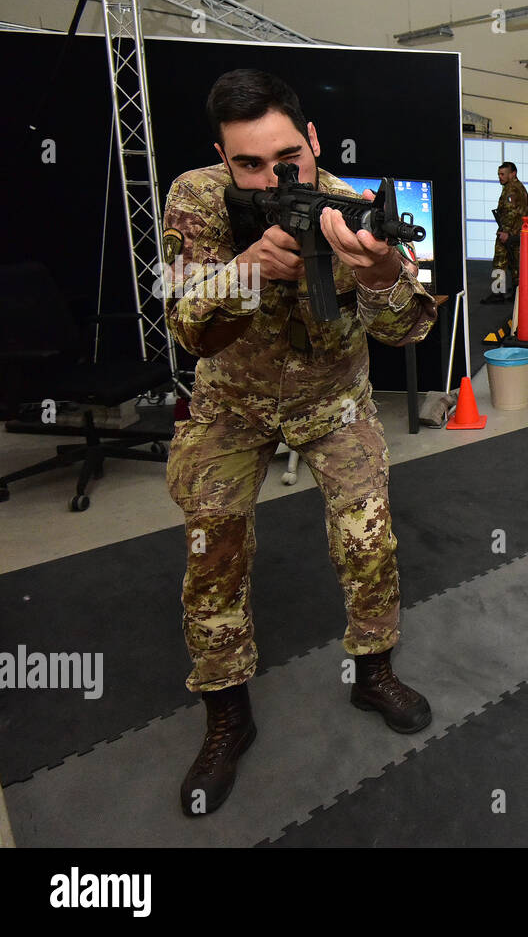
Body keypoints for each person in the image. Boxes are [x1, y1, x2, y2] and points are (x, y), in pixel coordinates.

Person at [161, 69, 438, 817]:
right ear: (222, 159)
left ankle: (374, 670)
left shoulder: (352, 206)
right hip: (232, 403)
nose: (271, 176)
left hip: (333, 400)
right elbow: (188, 328)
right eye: (247, 165)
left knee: (368, 538)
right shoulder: (195, 198)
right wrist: (243, 273)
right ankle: (226, 715)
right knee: (211, 555)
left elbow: (407, 329)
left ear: (313, 140)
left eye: (287, 158)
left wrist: (381, 271)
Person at [483, 161, 528, 303]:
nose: (500, 177)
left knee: (500, 262)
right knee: (516, 263)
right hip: (518, 232)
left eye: (503, 174)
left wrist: (506, 233)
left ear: (513, 173)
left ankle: (498, 294)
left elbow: (510, 212)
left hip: (510, 232)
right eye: (499, 174)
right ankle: (517, 292)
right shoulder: (519, 187)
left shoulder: (511, 189)